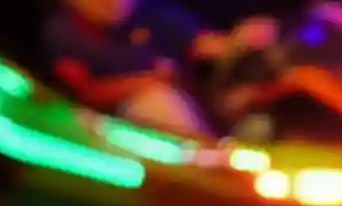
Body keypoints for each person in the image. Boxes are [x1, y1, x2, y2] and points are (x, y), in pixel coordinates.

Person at [43, 0, 279, 136]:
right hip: (107, 130)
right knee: (156, 102)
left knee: (258, 122)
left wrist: (242, 38)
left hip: (197, 115)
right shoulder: (63, 30)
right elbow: (85, 94)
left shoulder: (152, 15)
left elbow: (208, 46)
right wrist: (150, 82)